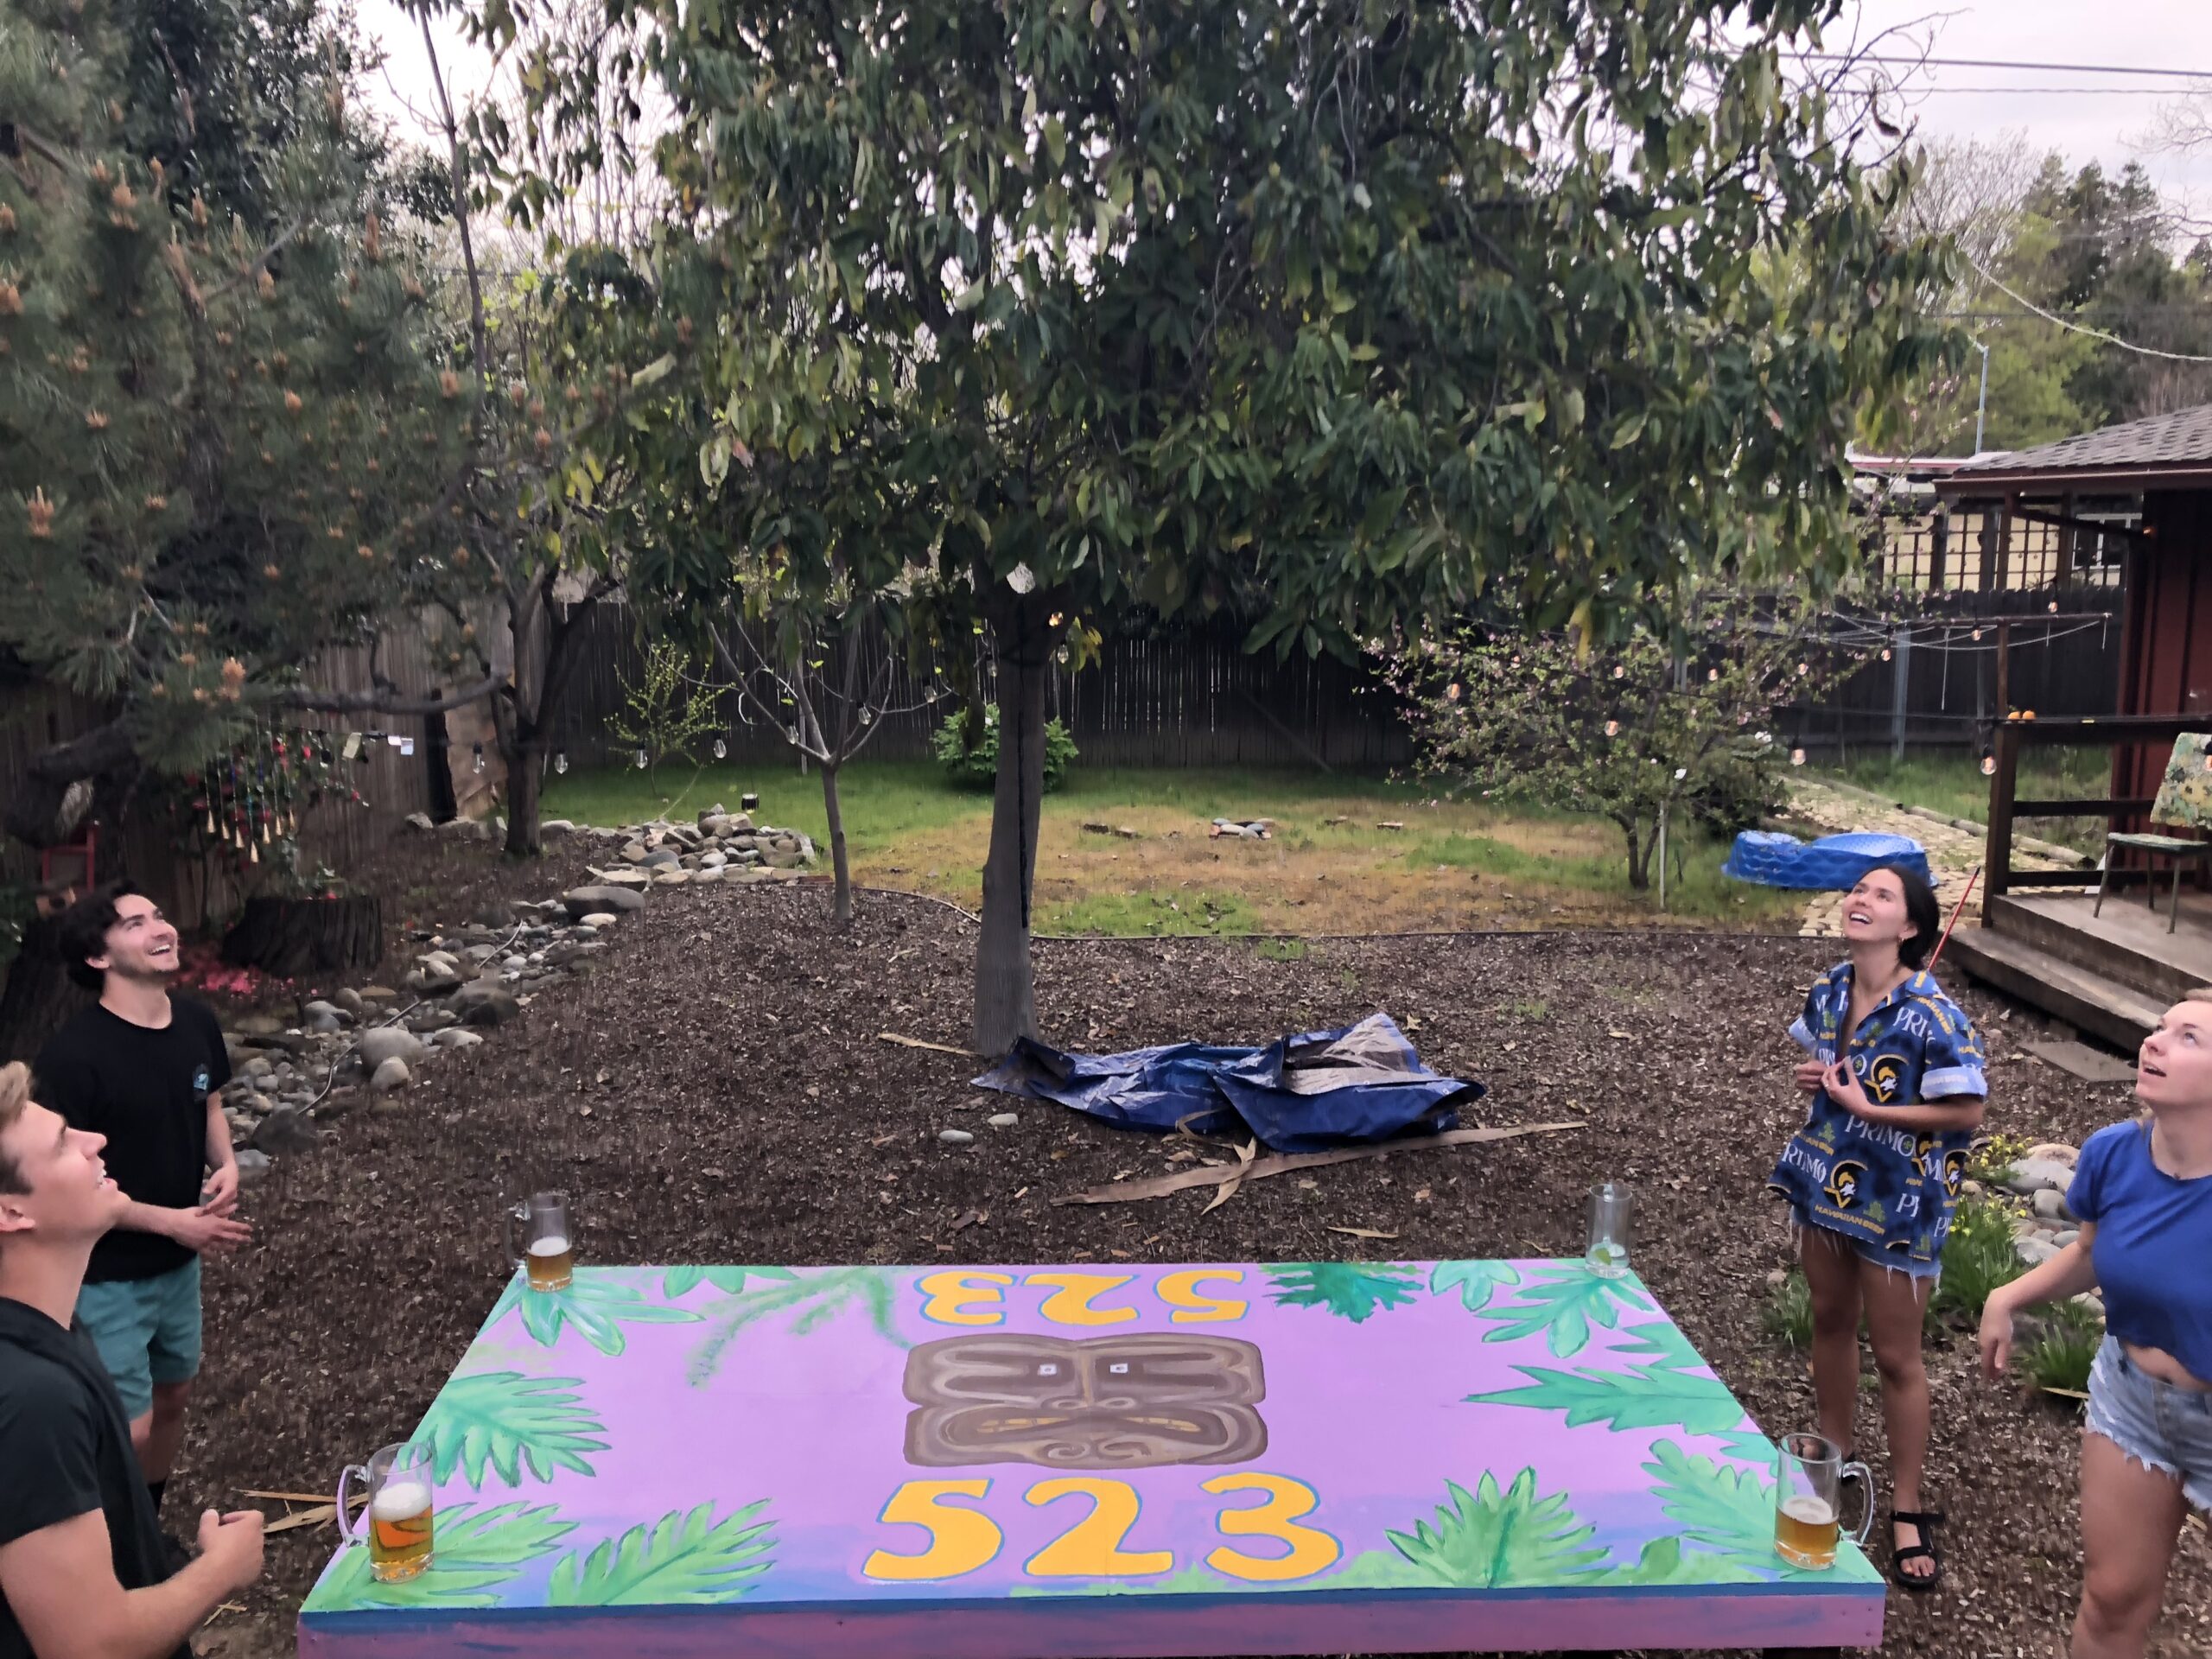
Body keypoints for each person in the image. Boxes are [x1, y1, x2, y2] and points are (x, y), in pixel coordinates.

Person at [1765, 861, 1987, 1592]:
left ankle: (1906, 1504)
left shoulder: (1933, 1012)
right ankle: (1829, 1463)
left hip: (1902, 1201)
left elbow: (1966, 1111)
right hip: (1826, 1182)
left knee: (1897, 1357)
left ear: (1912, 927)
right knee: (1829, 1320)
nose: (1861, 899)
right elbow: (1831, 1064)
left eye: (1882, 895)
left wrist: (1873, 1112)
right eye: (1859, 889)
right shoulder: (1831, 985)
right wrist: (1819, 1079)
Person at [0, 1060, 265, 1659]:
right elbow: (91, 1644)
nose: (96, 1141)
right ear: (12, 1213)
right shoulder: (30, 1400)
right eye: (65, 1143)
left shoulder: (58, 1332)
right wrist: (220, 1570)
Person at [1980, 994, 2212, 1659]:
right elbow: (2090, 1254)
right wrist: (2006, 1297)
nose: (2156, 1041)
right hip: (2133, 1402)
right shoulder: (2114, 1153)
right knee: (2112, 1601)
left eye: (2188, 1037)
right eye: (2160, 1028)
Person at [32, 885, 251, 1522]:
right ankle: (115, 1550)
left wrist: (228, 1164)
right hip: (105, 1276)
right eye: (135, 923)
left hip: (178, 1266)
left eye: (159, 914)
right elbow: (62, 1186)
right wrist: (171, 1223)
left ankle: (146, 1526)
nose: (161, 927)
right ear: (98, 958)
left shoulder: (196, 1023)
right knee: (128, 1428)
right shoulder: (72, 1060)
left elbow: (207, 1101)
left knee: (175, 1395)